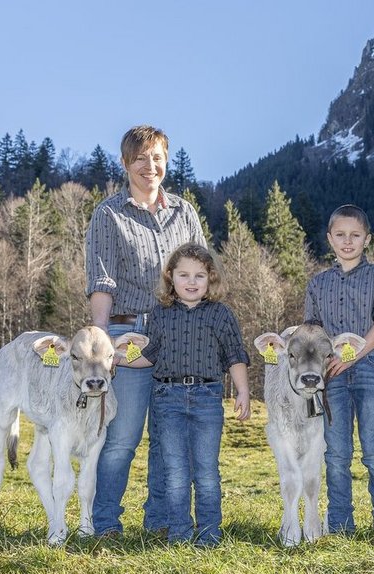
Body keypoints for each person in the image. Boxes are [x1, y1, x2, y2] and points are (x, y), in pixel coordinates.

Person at [86, 125, 207, 537]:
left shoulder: (185, 213)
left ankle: (158, 523)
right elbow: (103, 282)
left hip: (175, 334)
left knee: (168, 436)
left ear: (166, 161)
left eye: (156, 157)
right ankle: (104, 524)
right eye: (140, 158)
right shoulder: (109, 214)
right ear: (125, 164)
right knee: (123, 437)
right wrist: (101, 345)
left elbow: (201, 275)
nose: (149, 166)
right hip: (127, 336)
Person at [120, 242, 251, 546]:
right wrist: (117, 359)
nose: (191, 282)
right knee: (175, 472)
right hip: (168, 399)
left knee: (206, 472)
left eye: (199, 276)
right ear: (170, 277)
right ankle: (179, 533)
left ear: (211, 279)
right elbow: (150, 355)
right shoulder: (160, 314)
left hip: (207, 397)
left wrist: (242, 391)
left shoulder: (221, 314)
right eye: (184, 275)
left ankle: (208, 535)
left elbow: (235, 355)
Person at [304, 204, 374, 535]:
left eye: (355, 236)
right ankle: (341, 522)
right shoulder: (317, 284)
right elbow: (312, 334)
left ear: (367, 239)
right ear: (330, 239)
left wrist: (355, 354)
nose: (348, 242)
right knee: (336, 452)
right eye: (341, 236)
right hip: (331, 373)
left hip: (370, 365)